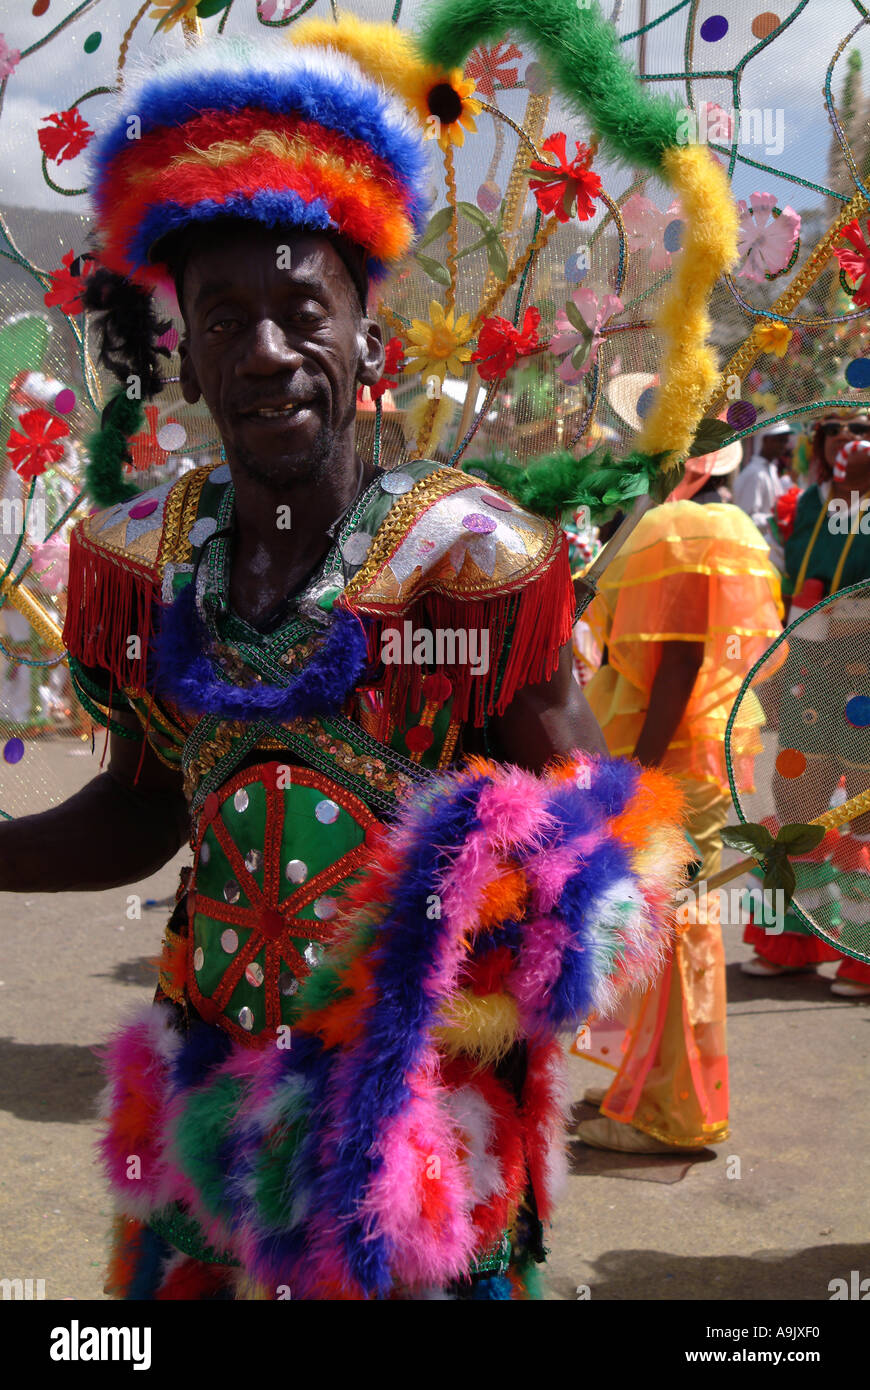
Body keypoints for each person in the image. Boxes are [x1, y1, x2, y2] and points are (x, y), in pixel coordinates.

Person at [0, 26, 692, 1298]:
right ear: (190, 360)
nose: (264, 350)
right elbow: (144, 811)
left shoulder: (474, 561)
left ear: (369, 341)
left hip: (411, 1124)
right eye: (224, 320)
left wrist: (476, 971)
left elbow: (601, 840)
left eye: (298, 309)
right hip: (209, 1097)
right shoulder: (147, 559)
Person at [576, 451, 783, 1152]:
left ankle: (670, 1112)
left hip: (673, 757)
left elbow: (684, 657)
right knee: (651, 920)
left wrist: (640, 769)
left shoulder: (689, 525)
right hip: (689, 749)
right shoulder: (718, 522)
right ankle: (637, 1083)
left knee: (669, 924)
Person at [741, 409, 870, 996]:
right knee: (796, 802)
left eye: (861, 427)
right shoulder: (804, 503)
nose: (847, 438)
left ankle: (862, 954)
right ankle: (793, 942)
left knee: (864, 816)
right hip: (806, 671)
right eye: (836, 428)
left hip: (864, 674)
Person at [732, 419, 794, 539]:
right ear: (766, 440)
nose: (783, 446)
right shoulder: (755, 473)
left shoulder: (770, 469)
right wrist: (777, 519)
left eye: (785, 441)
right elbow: (745, 518)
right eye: (780, 441)